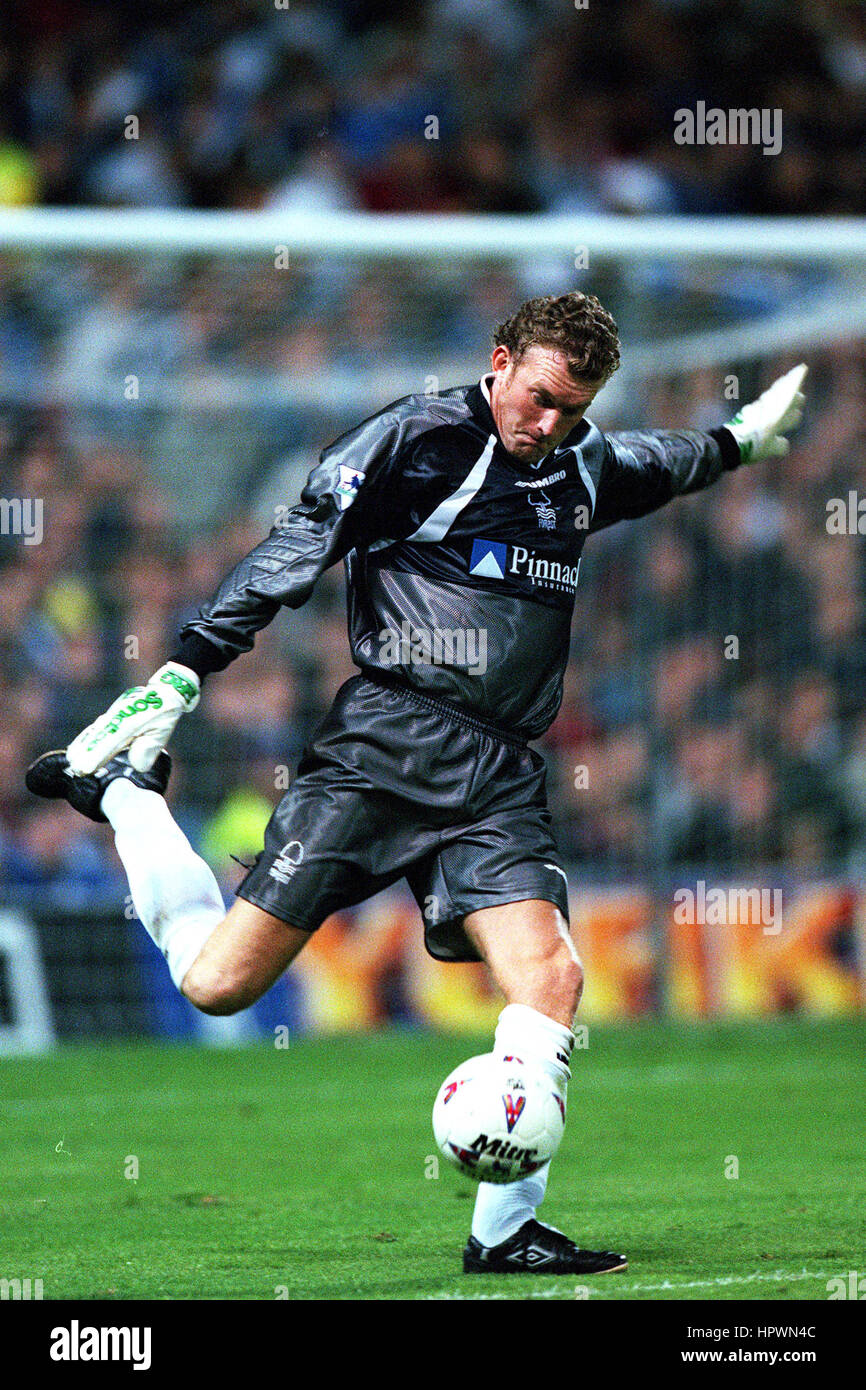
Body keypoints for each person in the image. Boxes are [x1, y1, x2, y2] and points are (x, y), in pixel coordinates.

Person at [26, 292, 806, 1276]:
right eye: (538, 399)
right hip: (385, 748)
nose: (549, 424)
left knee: (552, 978)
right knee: (216, 983)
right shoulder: (416, 440)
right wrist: (185, 669)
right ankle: (132, 794)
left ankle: (503, 1230)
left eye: (573, 408)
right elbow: (294, 550)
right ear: (498, 362)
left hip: (500, 774)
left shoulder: (578, 463)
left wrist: (737, 439)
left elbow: (661, 463)